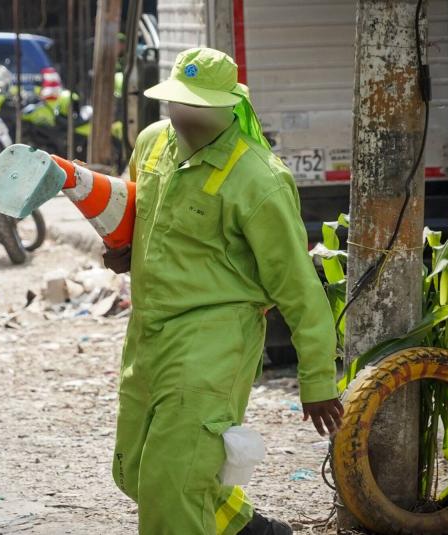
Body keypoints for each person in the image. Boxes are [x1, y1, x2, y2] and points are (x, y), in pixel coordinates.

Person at [104, 48, 343, 535]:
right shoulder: (152, 144)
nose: (185, 116)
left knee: (172, 486)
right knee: (133, 473)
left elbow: (298, 287)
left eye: (199, 107)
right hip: (148, 332)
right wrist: (121, 249)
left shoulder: (258, 179)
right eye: (178, 104)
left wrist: (317, 381)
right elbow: (135, 214)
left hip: (214, 341)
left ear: (230, 106)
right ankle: (248, 530)